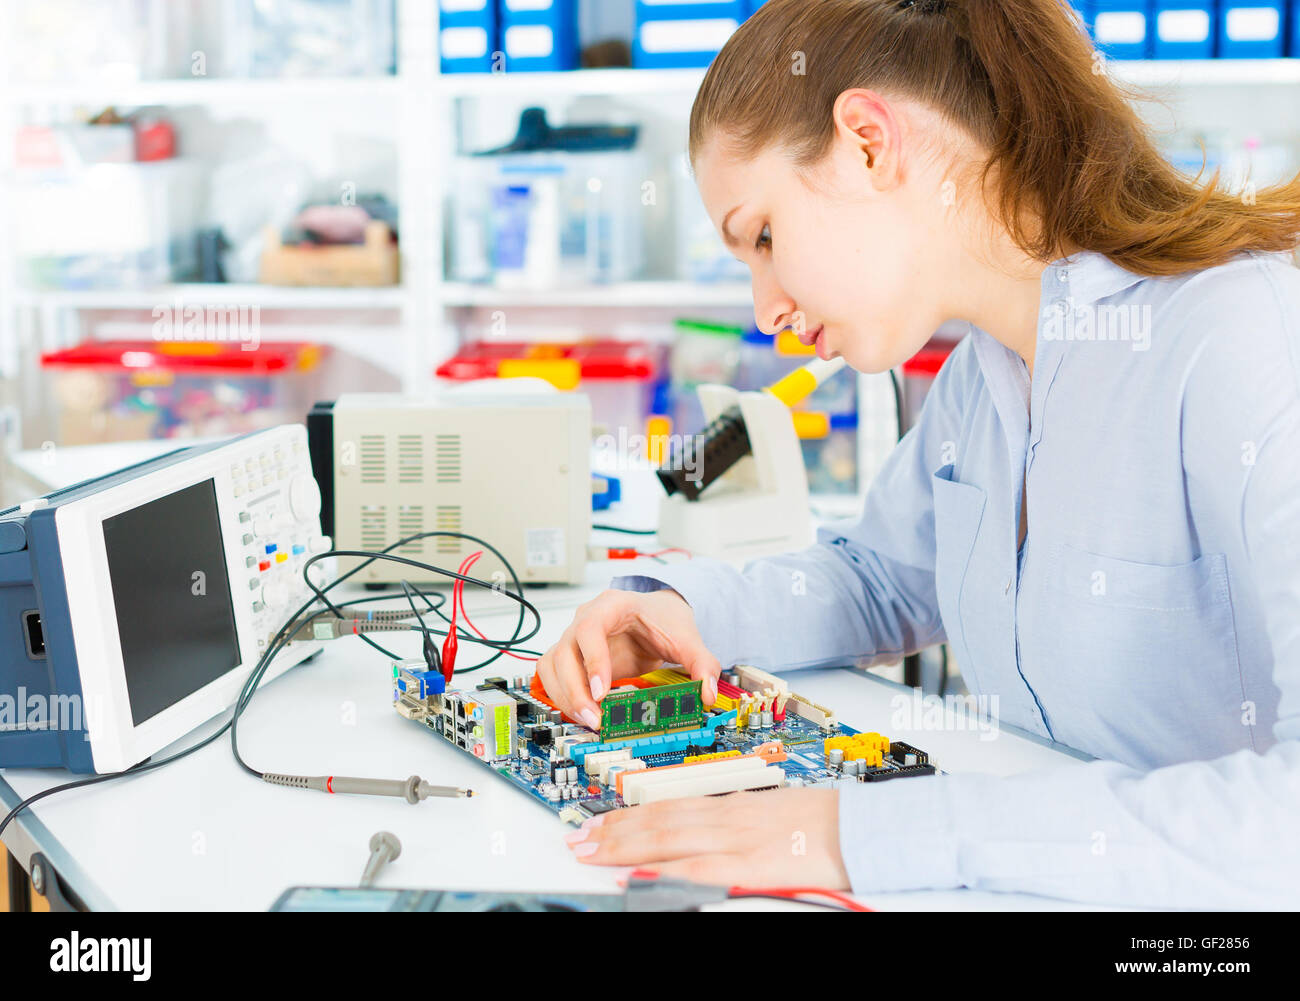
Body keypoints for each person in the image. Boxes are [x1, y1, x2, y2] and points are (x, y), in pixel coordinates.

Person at [535, 0, 1300, 907]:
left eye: (765, 238)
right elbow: (884, 578)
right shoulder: (983, 375)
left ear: (868, 141)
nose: (765, 309)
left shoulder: (1242, 341)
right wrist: (686, 610)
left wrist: (859, 832)